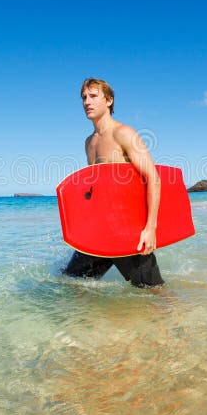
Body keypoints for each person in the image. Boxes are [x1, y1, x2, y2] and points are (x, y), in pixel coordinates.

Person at [62, 78, 165, 287]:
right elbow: (97, 190)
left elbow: (153, 178)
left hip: (128, 231)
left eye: (93, 96)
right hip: (100, 231)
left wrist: (150, 228)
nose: (86, 102)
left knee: (154, 293)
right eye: (83, 97)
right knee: (70, 284)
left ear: (108, 100)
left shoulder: (123, 133)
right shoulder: (89, 143)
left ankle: (181, 320)